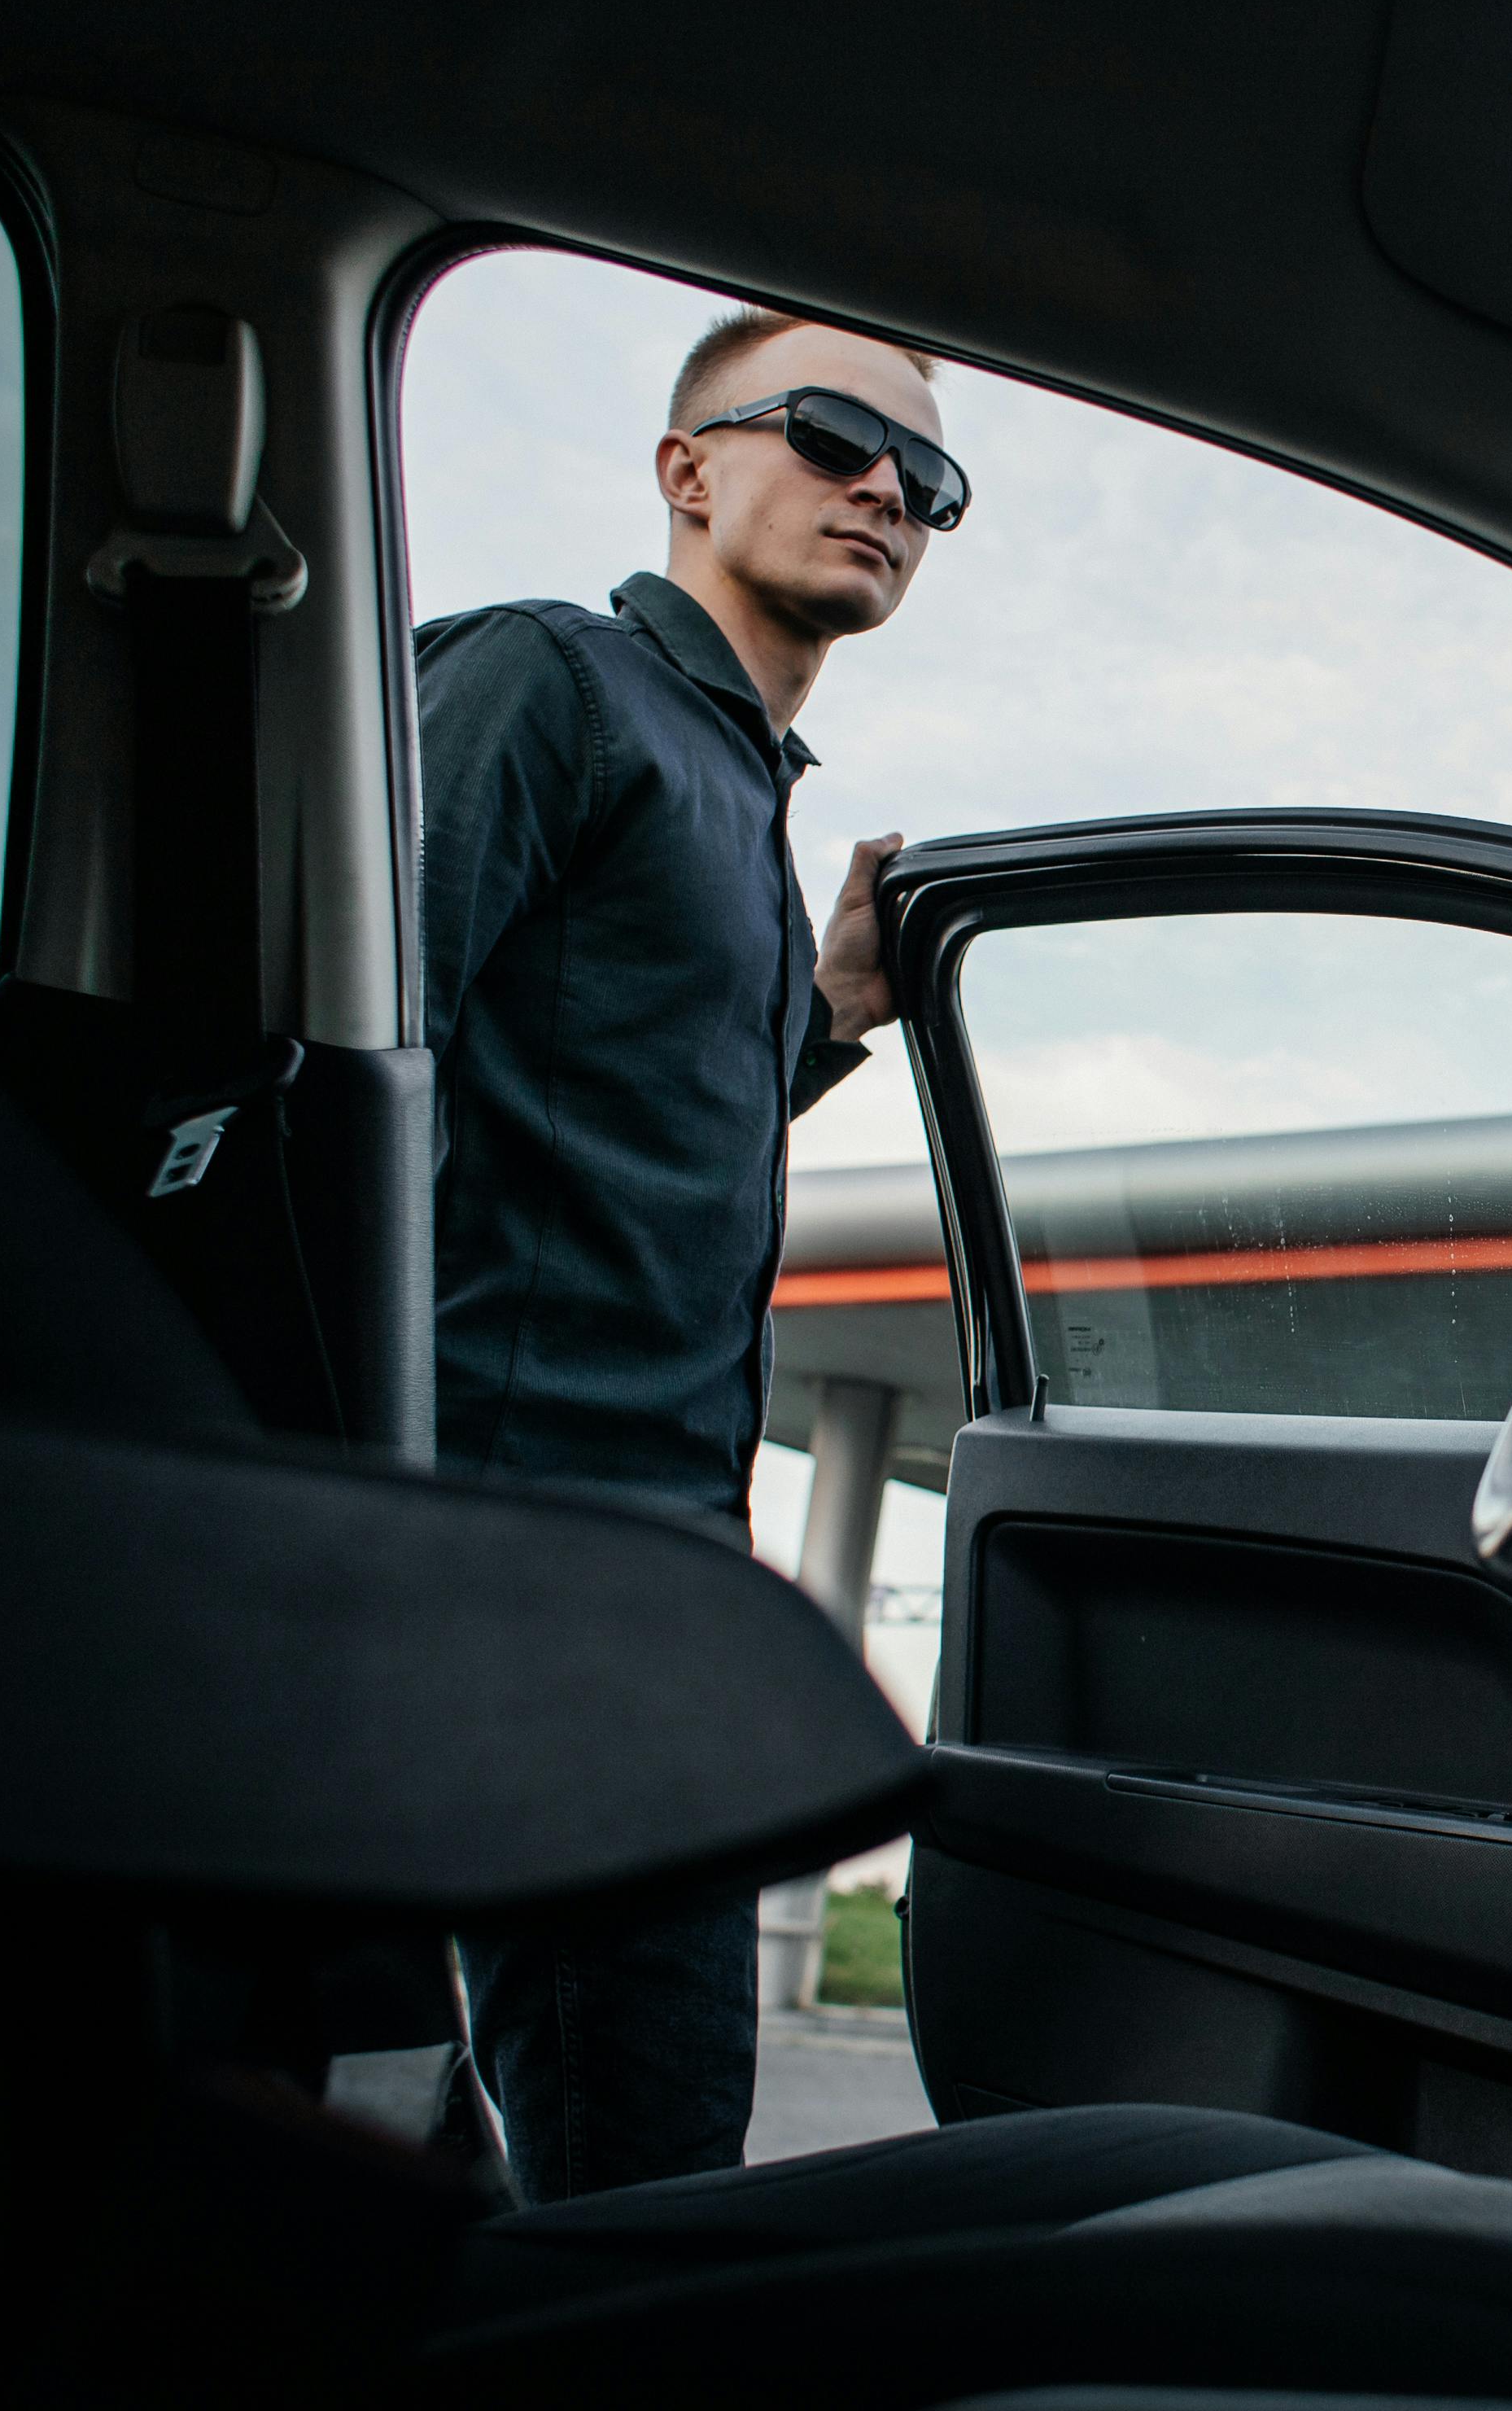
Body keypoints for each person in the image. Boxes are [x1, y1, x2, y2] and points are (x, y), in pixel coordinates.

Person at [414, 308, 964, 2203]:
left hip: (656, 1551)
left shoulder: (746, 796)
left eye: (932, 479)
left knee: (633, 2141)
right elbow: (354, 1057)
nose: (890, 487)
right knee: (631, 2155)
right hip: (511, 1536)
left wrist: (824, 1008)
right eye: (832, 434)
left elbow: (620, 1111)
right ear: (689, 469)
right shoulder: (548, 685)